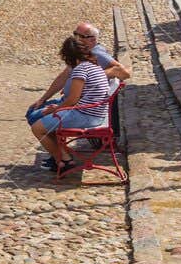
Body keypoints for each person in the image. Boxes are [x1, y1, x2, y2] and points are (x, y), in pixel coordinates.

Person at [27, 22, 129, 169]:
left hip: (85, 114)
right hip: (91, 111)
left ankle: (61, 160)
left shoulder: (82, 69)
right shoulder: (91, 64)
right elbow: (69, 90)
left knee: (37, 126)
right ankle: (61, 155)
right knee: (38, 116)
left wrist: (55, 109)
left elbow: (72, 100)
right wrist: (48, 102)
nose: (76, 37)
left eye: (79, 35)